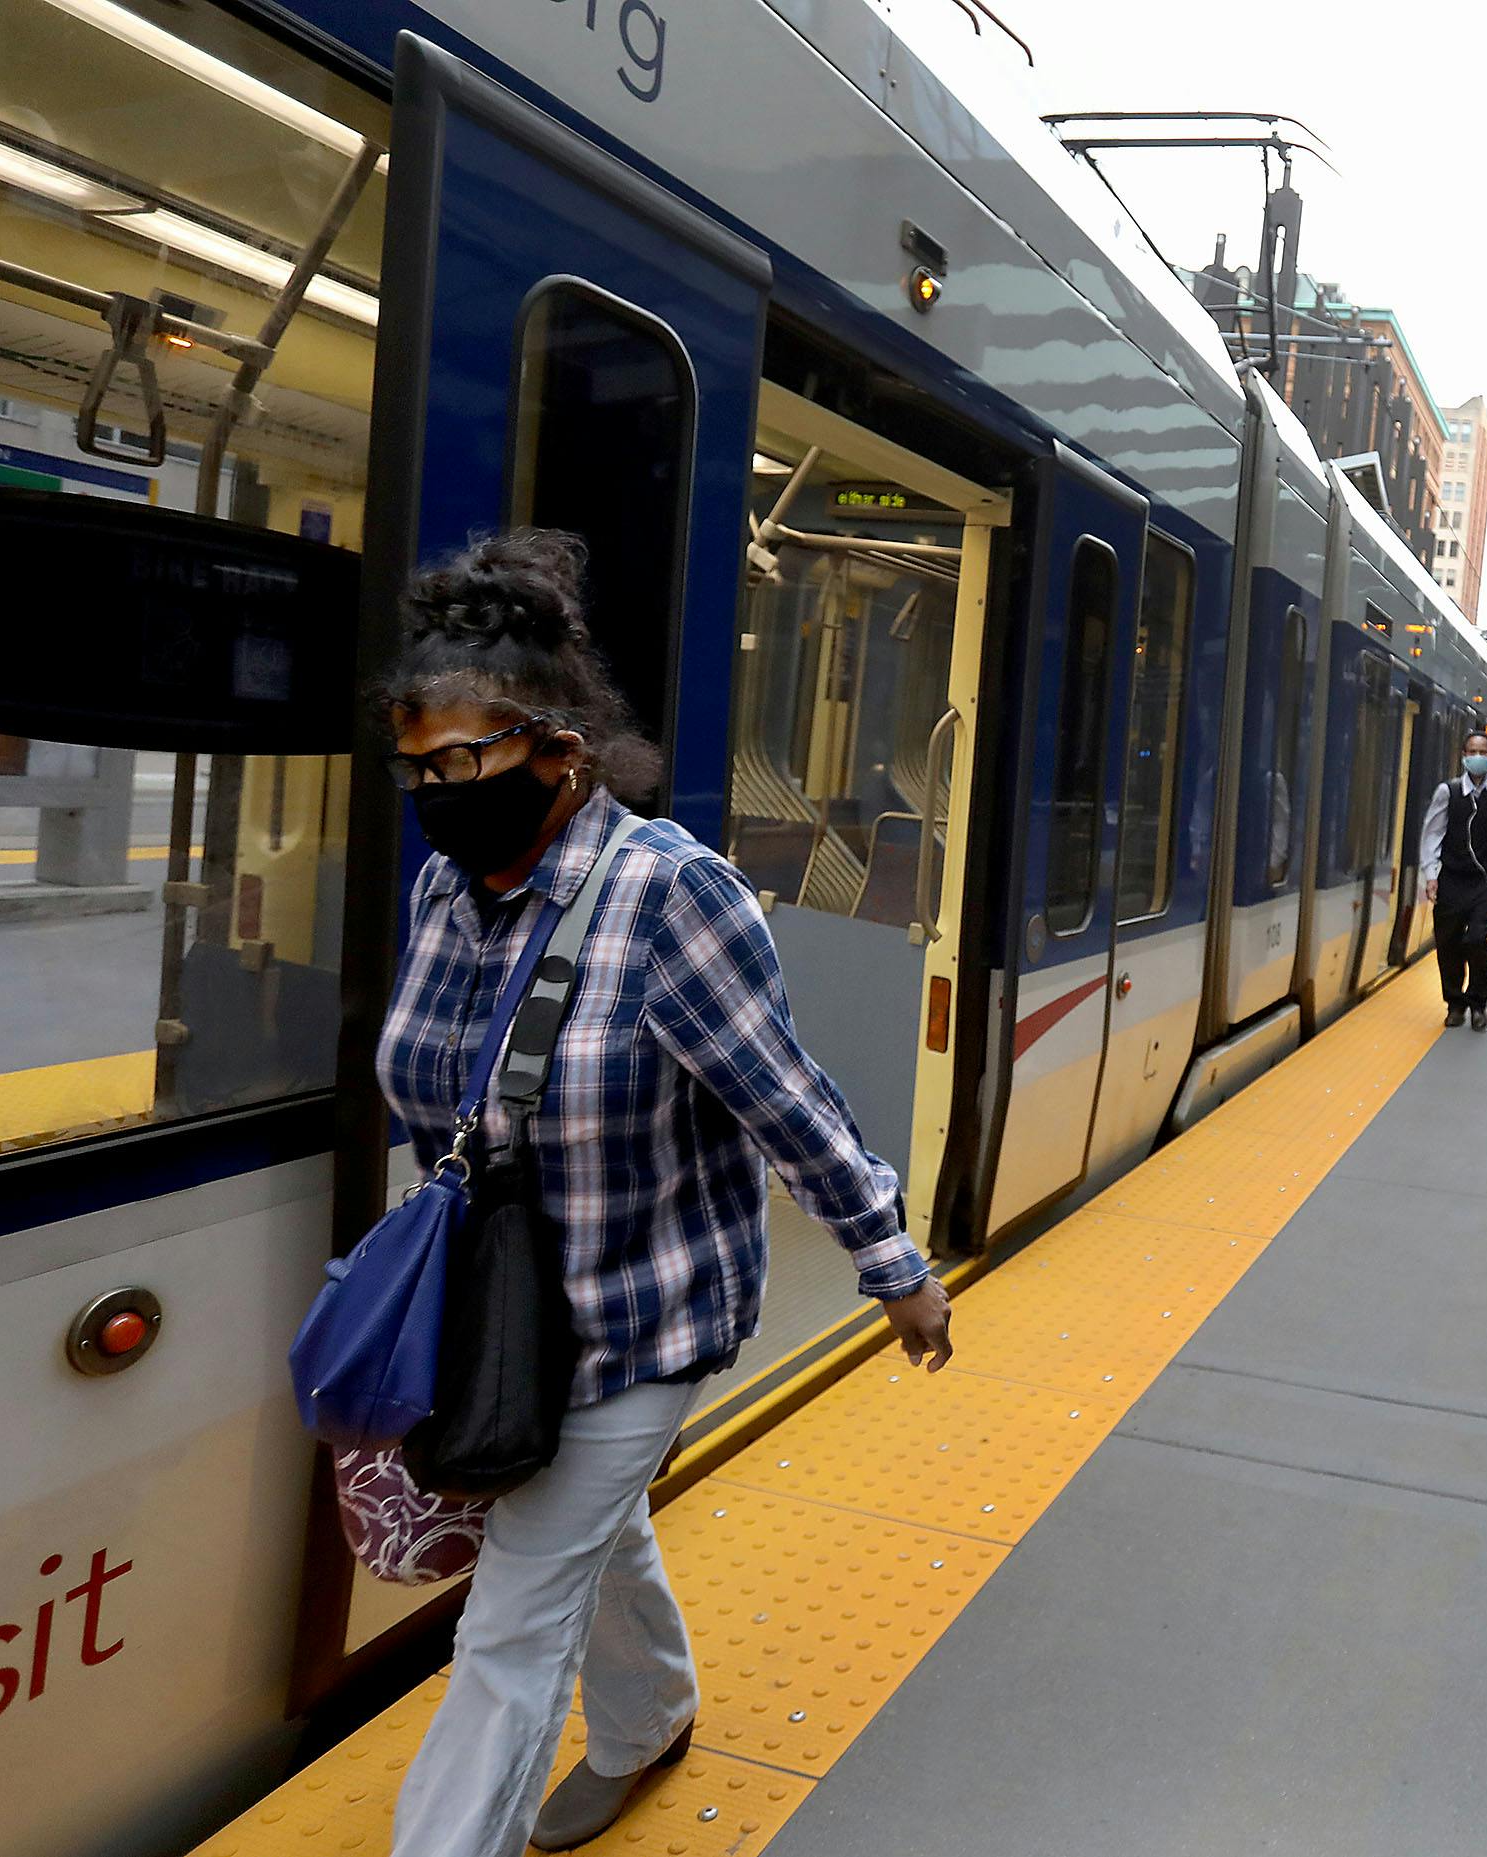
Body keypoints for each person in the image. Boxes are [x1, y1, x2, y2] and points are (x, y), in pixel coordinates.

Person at [373, 530, 953, 1856]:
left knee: (512, 1627)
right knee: (594, 1528)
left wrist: (894, 1268)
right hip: (504, 1317)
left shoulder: (671, 896)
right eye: (416, 767)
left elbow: (787, 1101)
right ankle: (649, 1718)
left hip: (641, 1312)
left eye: (461, 763)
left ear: (559, 751)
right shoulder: (447, 888)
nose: (436, 795)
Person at [1418, 730, 1487, 1031]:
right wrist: (1431, 875)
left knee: (1476, 939)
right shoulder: (1448, 792)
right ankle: (1454, 1004)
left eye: (1483, 752)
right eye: (1472, 752)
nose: (1477, 757)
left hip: (1486, 883)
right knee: (1448, 943)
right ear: (1463, 756)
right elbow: (1432, 834)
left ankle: (1478, 1002)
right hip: (1451, 880)